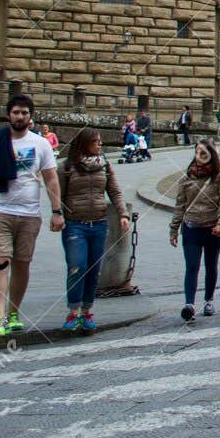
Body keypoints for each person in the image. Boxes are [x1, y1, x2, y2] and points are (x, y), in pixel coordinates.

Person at [0, 94, 61, 339]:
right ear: (8, 115)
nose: (20, 116)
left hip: (29, 214)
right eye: (15, 112)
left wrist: (56, 211)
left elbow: (51, 177)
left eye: (24, 113)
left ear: (30, 117)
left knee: (22, 264)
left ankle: (13, 313)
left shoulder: (41, 143)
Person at [56, 128, 130, 334]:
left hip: (99, 223)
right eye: (95, 142)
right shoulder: (67, 168)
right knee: (77, 266)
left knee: (93, 270)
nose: (100, 145)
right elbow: (58, 195)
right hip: (75, 224)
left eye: (100, 141)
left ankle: (87, 311)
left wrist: (123, 214)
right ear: (84, 143)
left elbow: (114, 190)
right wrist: (58, 214)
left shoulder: (104, 165)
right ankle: (73, 311)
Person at [169, 138, 220, 321]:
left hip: (212, 229)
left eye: (203, 153)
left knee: (211, 266)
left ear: (212, 155)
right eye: (197, 152)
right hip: (191, 227)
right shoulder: (186, 178)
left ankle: (208, 300)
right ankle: (189, 304)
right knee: (192, 266)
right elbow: (180, 205)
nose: (199, 156)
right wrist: (174, 228)